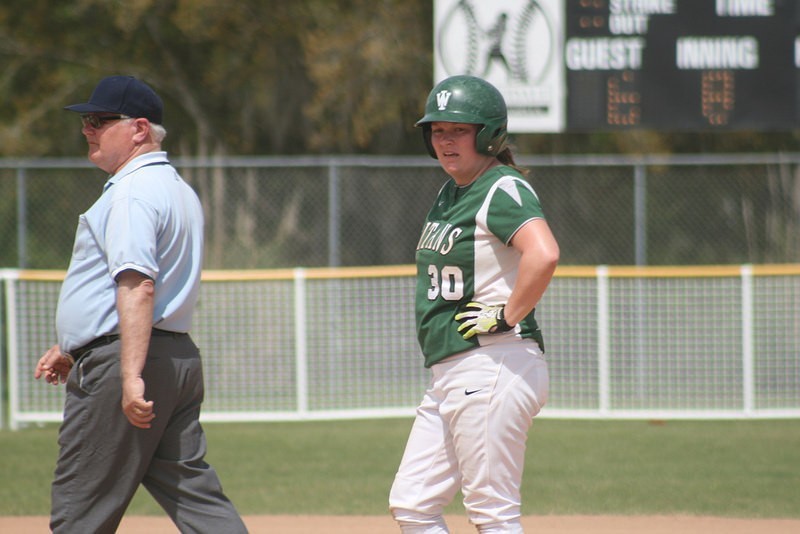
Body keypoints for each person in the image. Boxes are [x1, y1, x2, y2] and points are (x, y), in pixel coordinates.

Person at [34, 75, 248, 534]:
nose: (87, 129)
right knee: (194, 497)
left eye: (99, 120)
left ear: (139, 128)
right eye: (86, 121)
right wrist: (76, 345)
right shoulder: (178, 189)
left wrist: (128, 373)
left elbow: (139, 286)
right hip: (175, 360)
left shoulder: (132, 192)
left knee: (80, 512)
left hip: (128, 364)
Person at [389, 75, 560, 533]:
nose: (445, 140)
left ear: (488, 135)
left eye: (459, 130)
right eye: (437, 130)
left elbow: (544, 254)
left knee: (492, 513)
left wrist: (505, 316)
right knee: (413, 504)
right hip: (456, 370)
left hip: (491, 363)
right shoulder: (451, 192)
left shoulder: (500, 187)